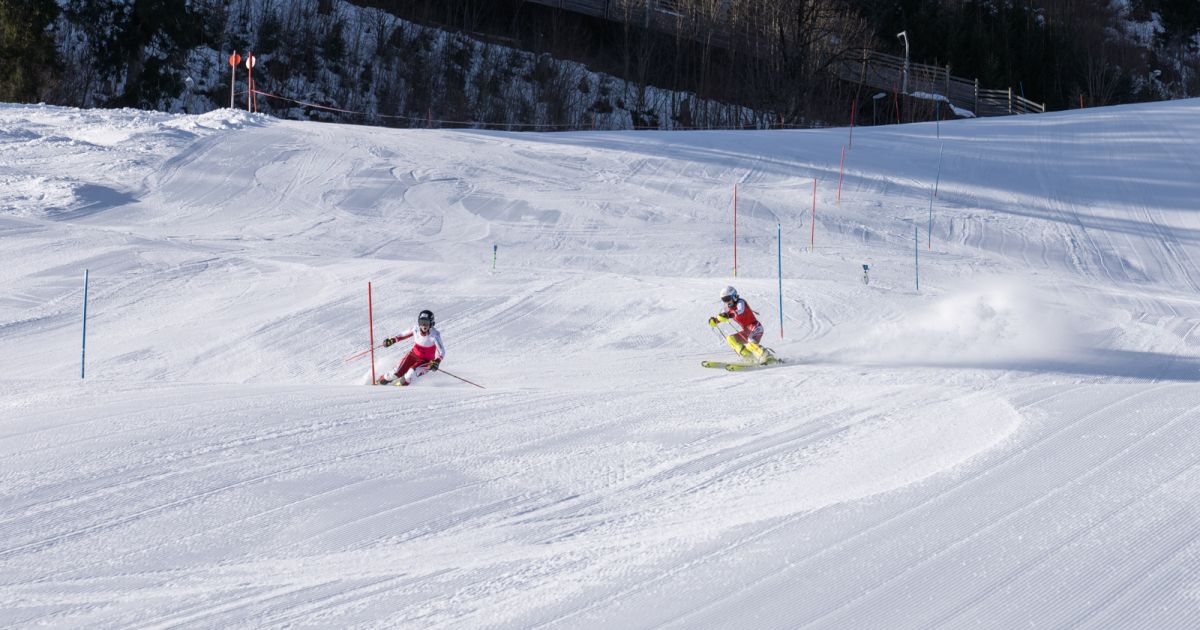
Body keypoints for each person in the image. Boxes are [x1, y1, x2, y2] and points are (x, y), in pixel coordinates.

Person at [376, 309, 445, 386]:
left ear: (431, 323)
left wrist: (437, 361)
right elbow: (403, 335)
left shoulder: (435, 335)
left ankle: (398, 388)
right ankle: (379, 383)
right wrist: (392, 340)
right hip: (412, 356)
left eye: (426, 322)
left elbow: (442, 352)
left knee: (410, 374)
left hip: (426, 361)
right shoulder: (416, 329)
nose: (424, 325)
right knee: (395, 374)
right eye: (421, 322)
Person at [708, 286, 775, 364]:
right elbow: (721, 316)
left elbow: (740, 310)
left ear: (734, 296)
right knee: (730, 339)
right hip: (747, 331)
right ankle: (749, 357)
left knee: (750, 343)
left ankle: (768, 357)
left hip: (755, 327)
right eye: (724, 300)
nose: (726, 302)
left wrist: (728, 315)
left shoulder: (740, 302)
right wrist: (715, 320)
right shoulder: (727, 308)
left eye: (727, 299)